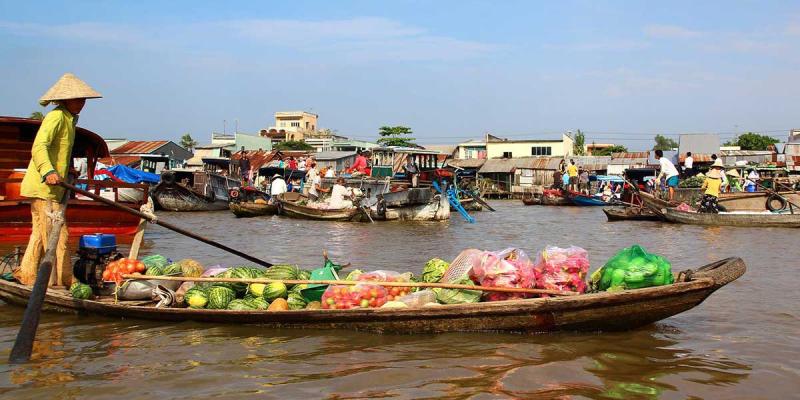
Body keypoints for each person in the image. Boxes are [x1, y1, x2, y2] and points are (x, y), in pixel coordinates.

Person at [17, 73, 102, 287]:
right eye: (77, 99)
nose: (82, 104)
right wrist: (48, 172)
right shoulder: (56, 117)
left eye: (83, 100)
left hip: (53, 188)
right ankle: (65, 279)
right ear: (65, 100)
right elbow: (39, 146)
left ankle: (26, 273)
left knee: (39, 233)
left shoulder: (69, 120)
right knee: (59, 234)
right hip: (44, 187)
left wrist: (67, 171)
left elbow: (60, 152)